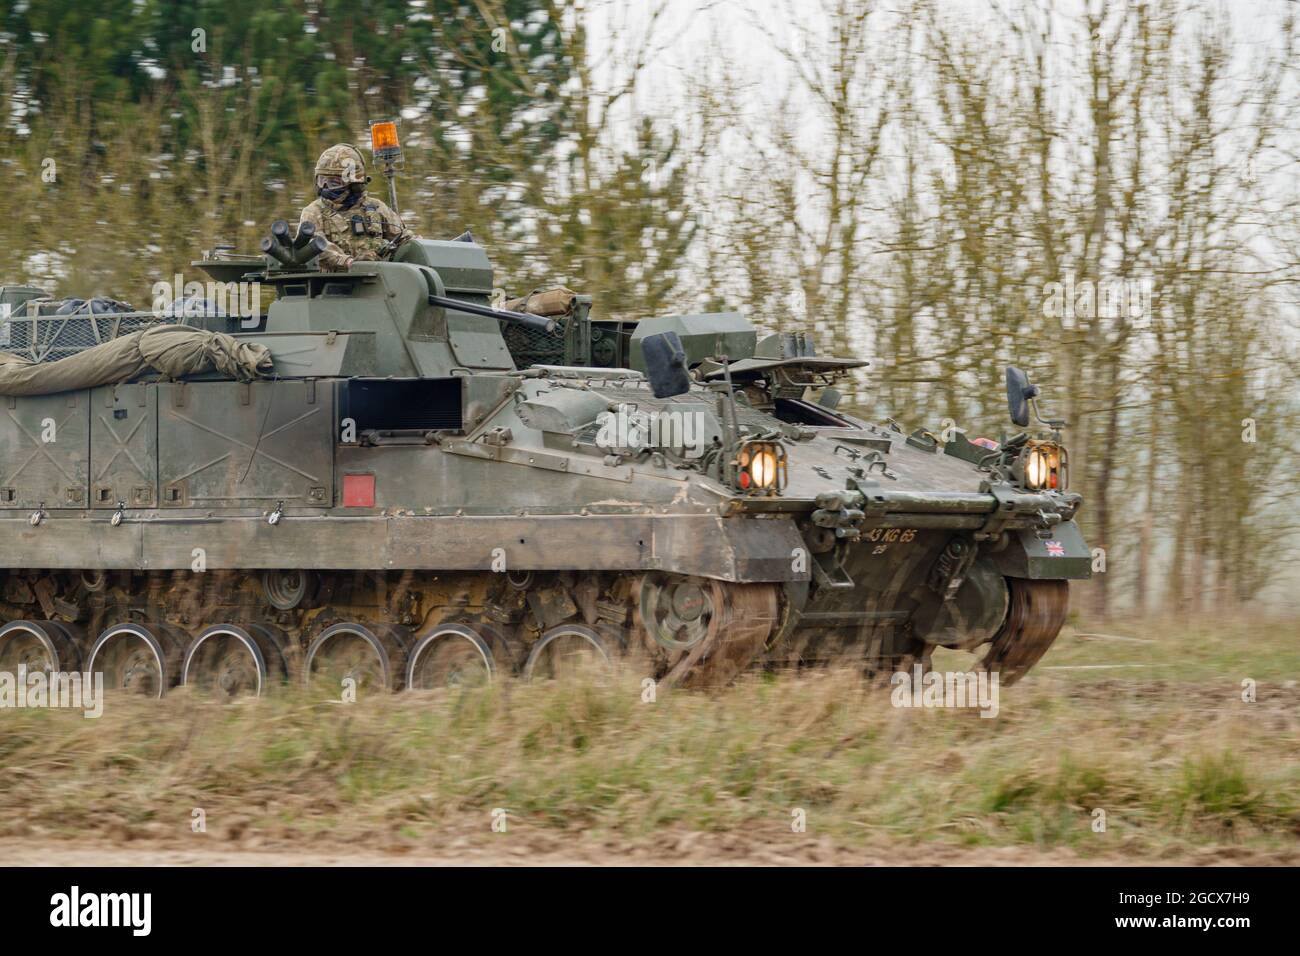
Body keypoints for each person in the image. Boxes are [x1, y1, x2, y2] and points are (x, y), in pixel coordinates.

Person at [299, 144, 413, 271]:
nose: (325, 187)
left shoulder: (376, 207)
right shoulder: (313, 212)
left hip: (378, 281)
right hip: (332, 284)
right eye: (322, 181)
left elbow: (405, 241)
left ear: (354, 184)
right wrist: (349, 262)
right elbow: (315, 246)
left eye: (333, 183)